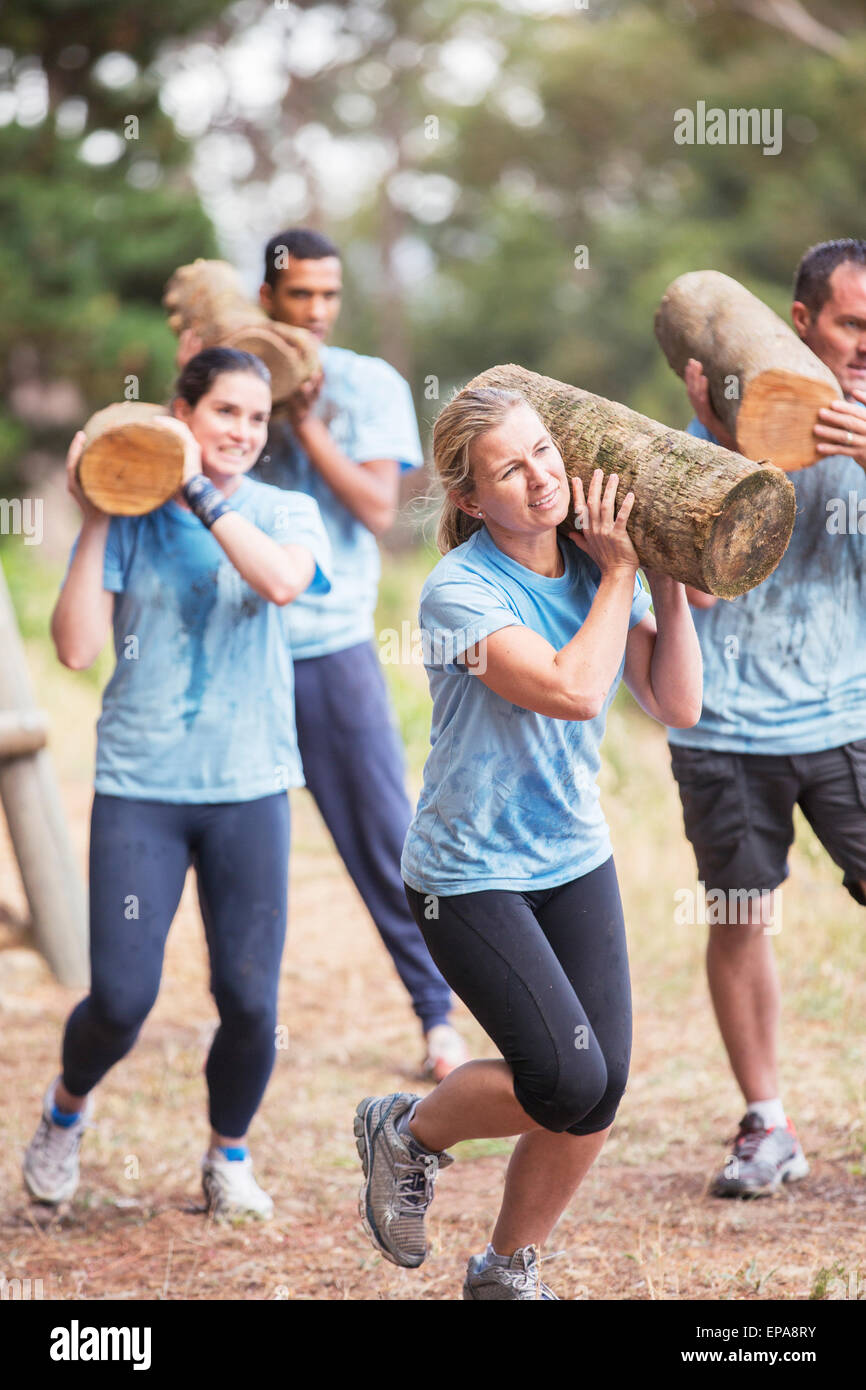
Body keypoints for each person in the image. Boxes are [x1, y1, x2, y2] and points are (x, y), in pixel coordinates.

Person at [353, 387, 702, 1299]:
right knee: (563, 1079)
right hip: (468, 874)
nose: (542, 478)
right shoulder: (458, 592)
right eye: (511, 469)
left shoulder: (594, 564)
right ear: (469, 499)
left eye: (545, 452)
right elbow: (572, 690)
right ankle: (408, 1130)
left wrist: (663, 571)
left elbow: (677, 705)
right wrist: (622, 576)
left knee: (604, 1085)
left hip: (572, 855)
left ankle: (506, 1267)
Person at [22, 348, 332, 1221]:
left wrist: (199, 490)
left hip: (250, 789)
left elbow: (277, 583)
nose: (240, 430)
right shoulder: (131, 515)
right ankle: (64, 1110)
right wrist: (97, 510)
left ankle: (228, 1153)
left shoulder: (282, 510)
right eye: (223, 412)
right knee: (120, 998)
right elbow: (78, 649)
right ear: (181, 413)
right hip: (141, 787)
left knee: (248, 999)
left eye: (254, 418)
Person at [669, 238, 866, 1198]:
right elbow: (701, 598)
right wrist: (720, 441)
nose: (865, 346)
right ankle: (768, 1123)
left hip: (850, 715)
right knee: (742, 914)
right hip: (728, 726)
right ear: (801, 322)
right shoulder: (722, 420)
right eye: (851, 325)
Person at [251, 227, 467, 1080]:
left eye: (328, 296)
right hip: (243, 652)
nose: (314, 312)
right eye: (299, 295)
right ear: (266, 296)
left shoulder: (368, 384)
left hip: (330, 644)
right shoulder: (236, 380)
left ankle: (439, 1018)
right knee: (240, 843)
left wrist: (307, 429)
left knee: (384, 839)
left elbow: (380, 506)